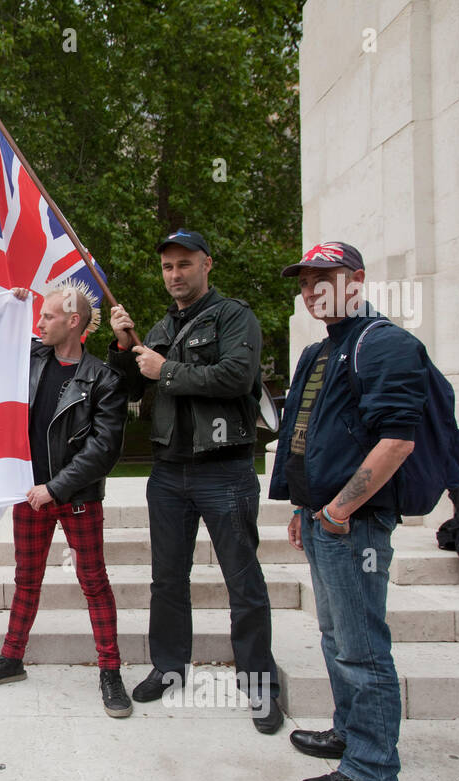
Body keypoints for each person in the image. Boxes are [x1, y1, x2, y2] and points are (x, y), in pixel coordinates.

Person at [270, 241, 425, 781]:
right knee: (337, 639)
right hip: (319, 519)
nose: (312, 291)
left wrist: (338, 510)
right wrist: (301, 504)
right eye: (306, 282)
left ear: (356, 279)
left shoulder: (383, 344)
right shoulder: (323, 351)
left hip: (351, 526)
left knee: (361, 647)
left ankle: (373, 770)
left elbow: (398, 439)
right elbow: (308, 435)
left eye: (324, 279)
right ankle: (348, 732)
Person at [108, 229, 281, 733]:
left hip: (223, 468)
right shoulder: (162, 326)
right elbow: (130, 382)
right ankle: (167, 668)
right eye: (167, 267)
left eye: (184, 264)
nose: (175, 275)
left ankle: (258, 682)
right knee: (167, 579)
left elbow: (237, 377)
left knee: (242, 580)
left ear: (207, 264)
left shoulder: (234, 317)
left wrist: (167, 369)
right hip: (167, 471)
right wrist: (125, 345)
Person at [0, 282, 132, 717]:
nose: (39, 323)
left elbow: (103, 449)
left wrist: (55, 488)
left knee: (94, 584)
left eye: (48, 316)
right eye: (37, 317)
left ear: (73, 322)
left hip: (74, 495)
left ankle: (110, 672)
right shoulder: (31, 359)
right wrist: (9, 308)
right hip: (29, 493)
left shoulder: (104, 378)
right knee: (27, 581)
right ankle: (11, 659)